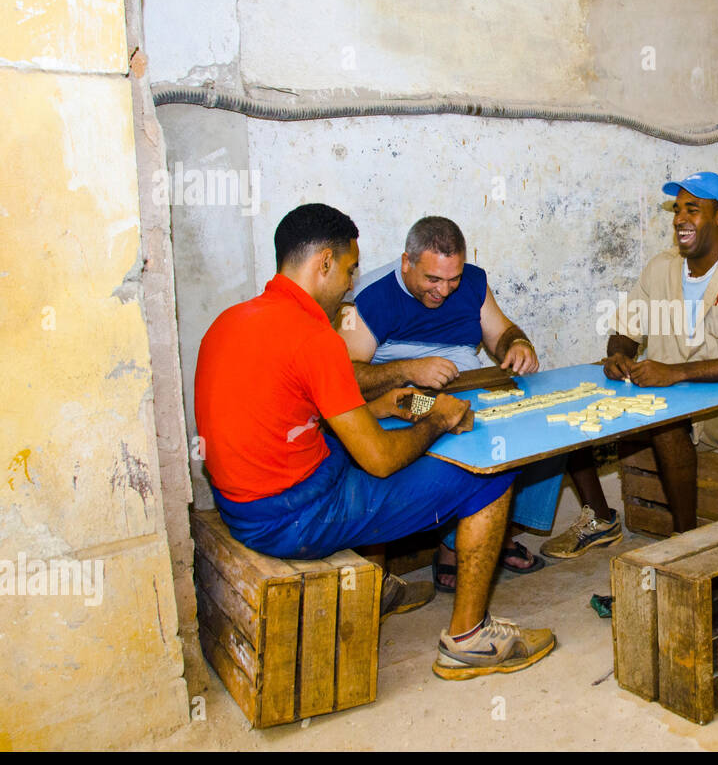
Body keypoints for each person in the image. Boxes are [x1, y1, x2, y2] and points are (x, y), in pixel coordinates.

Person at [194, 203, 554, 679]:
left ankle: (381, 586)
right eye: (347, 269)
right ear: (323, 263)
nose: (349, 283)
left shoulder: (230, 320)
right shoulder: (314, 337)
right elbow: (381, 460)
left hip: (241, 502)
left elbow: (353, 411)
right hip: (292, 518)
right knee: (493, 474)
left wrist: (408, 406)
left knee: (372, 430)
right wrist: (437, 421)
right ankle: (469, 639)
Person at [337, 216, 598, 589]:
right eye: (432, 280)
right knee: (465, 438)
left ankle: (488, 532)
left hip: (472, 389)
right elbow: (346, 376)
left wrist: (517, 345)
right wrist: (410, 369)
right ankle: (461, 542)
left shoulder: (473, 282)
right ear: (407, 262)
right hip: (411, 404)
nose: (443, 291)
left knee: (547, 427)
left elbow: (502, 332)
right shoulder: (369, 297)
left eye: (452, 279)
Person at [542, 171, 718, 552]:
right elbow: (626, 330)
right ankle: (601, 519)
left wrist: (678, 373)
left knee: (665, 425)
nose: (680, 218)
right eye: (677, 209)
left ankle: (686, 541)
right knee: (575, 406)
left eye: (693, 209)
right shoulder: (661, 267)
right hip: (663, 393)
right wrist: (618, 355)